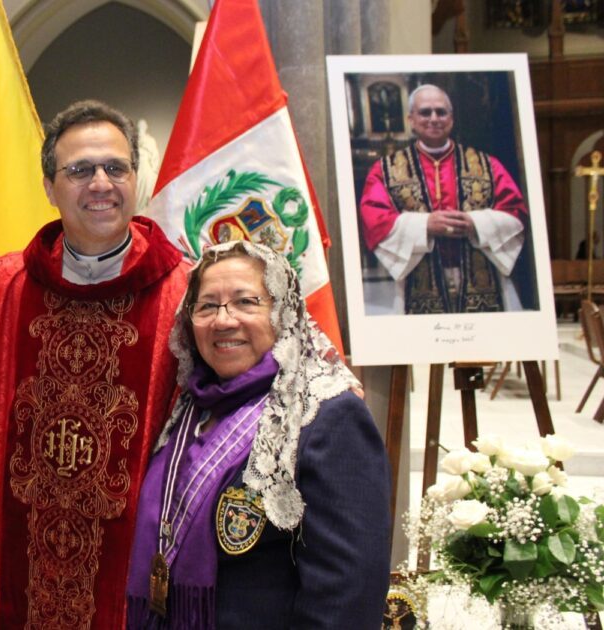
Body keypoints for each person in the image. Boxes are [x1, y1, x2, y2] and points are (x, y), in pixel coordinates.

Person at [0, 100, 190, 629]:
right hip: (17, 564)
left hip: (133, 572)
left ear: (135, 179)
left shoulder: (181, 292)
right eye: (79, 170)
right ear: (49, 188)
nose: (100, 183)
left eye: (115, 168)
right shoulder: (4, 287)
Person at [125, 240, 392, 628]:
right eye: (207, 306)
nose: (223, 320)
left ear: (282, 313)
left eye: (246, 302)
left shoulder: (329, 415)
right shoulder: (186, 408)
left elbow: (347, 597)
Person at [359, 84, 528, 314]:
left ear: (452, 118)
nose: (434, 118)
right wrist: (424, 225)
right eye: (425, 112)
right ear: (411, 119)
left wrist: (476, 225)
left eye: (441, 112)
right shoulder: (386, 170)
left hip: (483, 277)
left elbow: (516, 213)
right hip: (415, 281)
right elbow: (374, 219)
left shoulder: (487, 165)